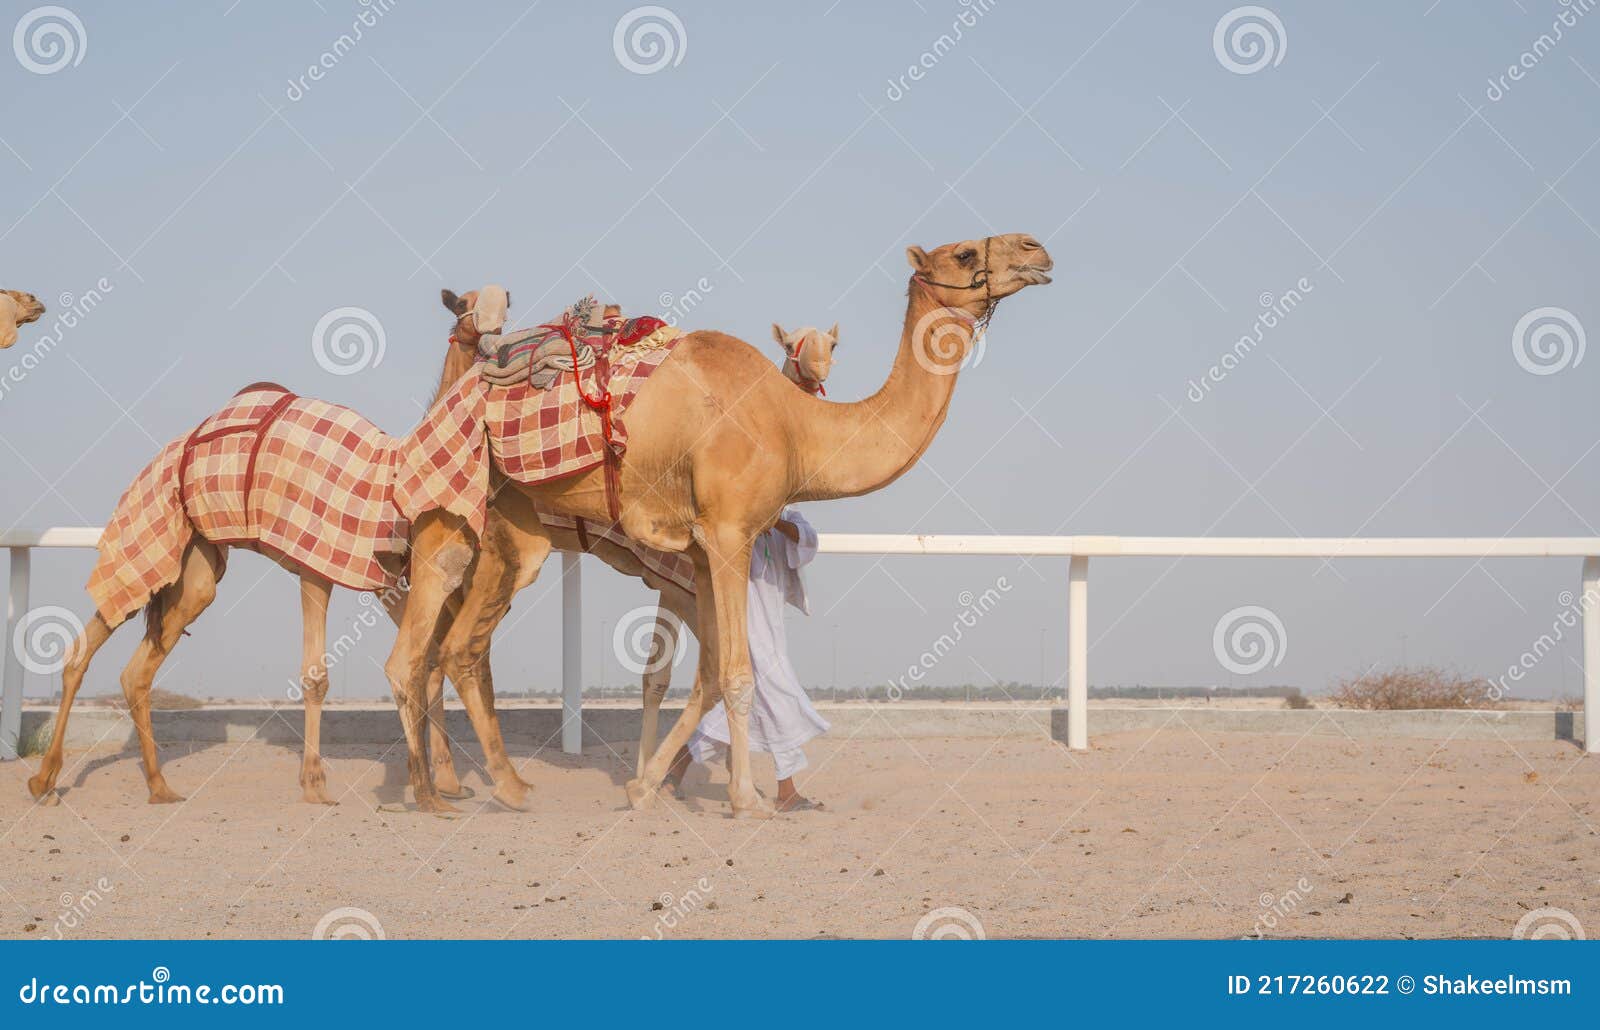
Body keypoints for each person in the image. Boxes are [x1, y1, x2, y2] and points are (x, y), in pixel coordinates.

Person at [664, 507, 829, 811]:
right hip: (741, 617)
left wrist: (773, 520)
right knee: (778, 694)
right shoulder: (734, 517)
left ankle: (673, 770)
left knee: (743, 707)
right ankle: (787, 791)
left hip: (770, 623)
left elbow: (808, 541)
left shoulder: (789, 515)